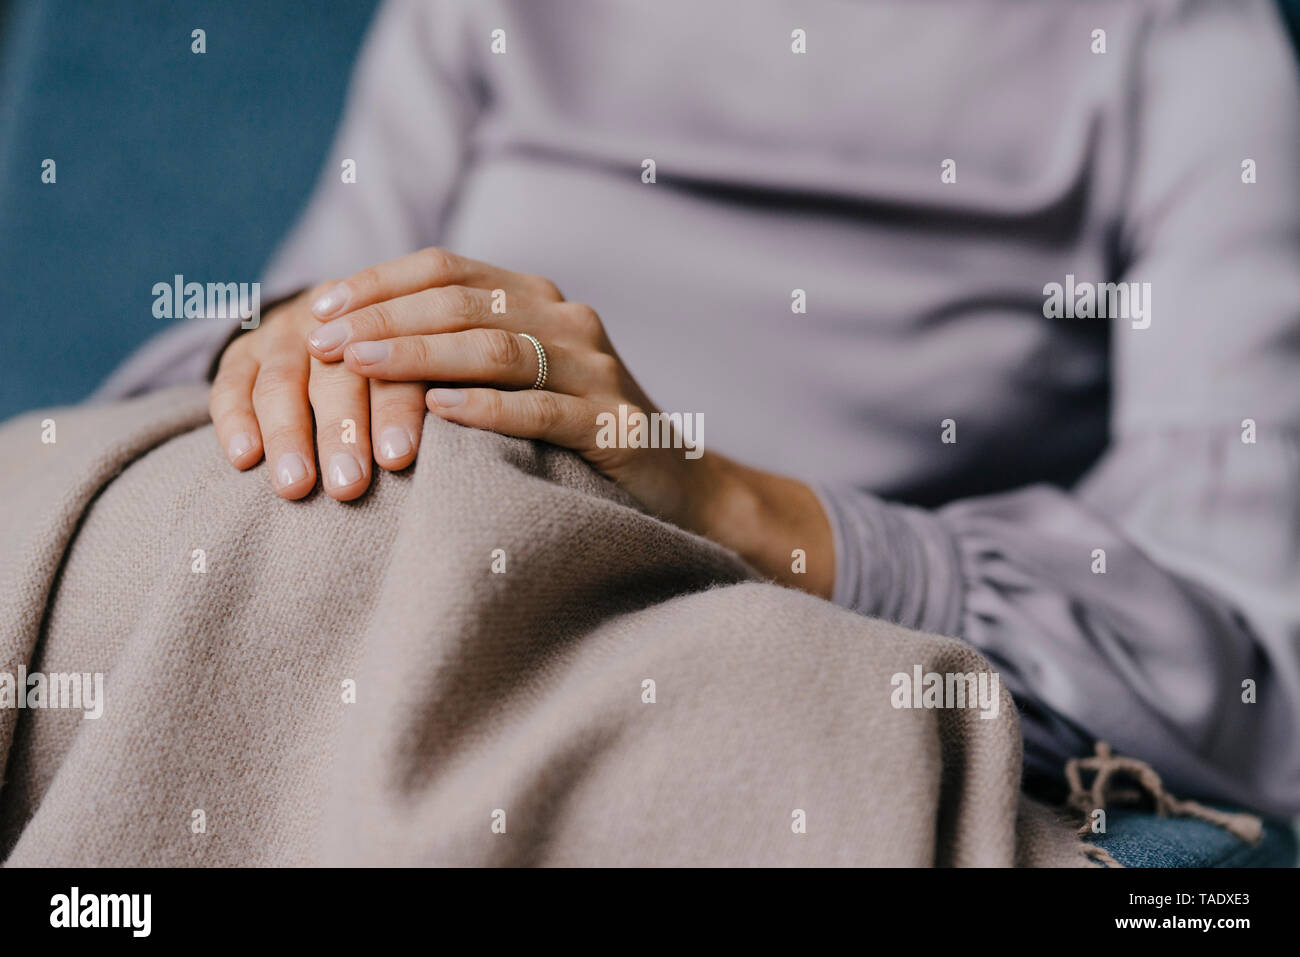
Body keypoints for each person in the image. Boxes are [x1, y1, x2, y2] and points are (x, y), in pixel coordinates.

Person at [99, 0, 1300, 817]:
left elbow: (1257, 680)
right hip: (323, 507)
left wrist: (720, 498)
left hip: (695, 619)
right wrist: (290, 349)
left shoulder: (1175, 40)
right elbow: (308, 305)